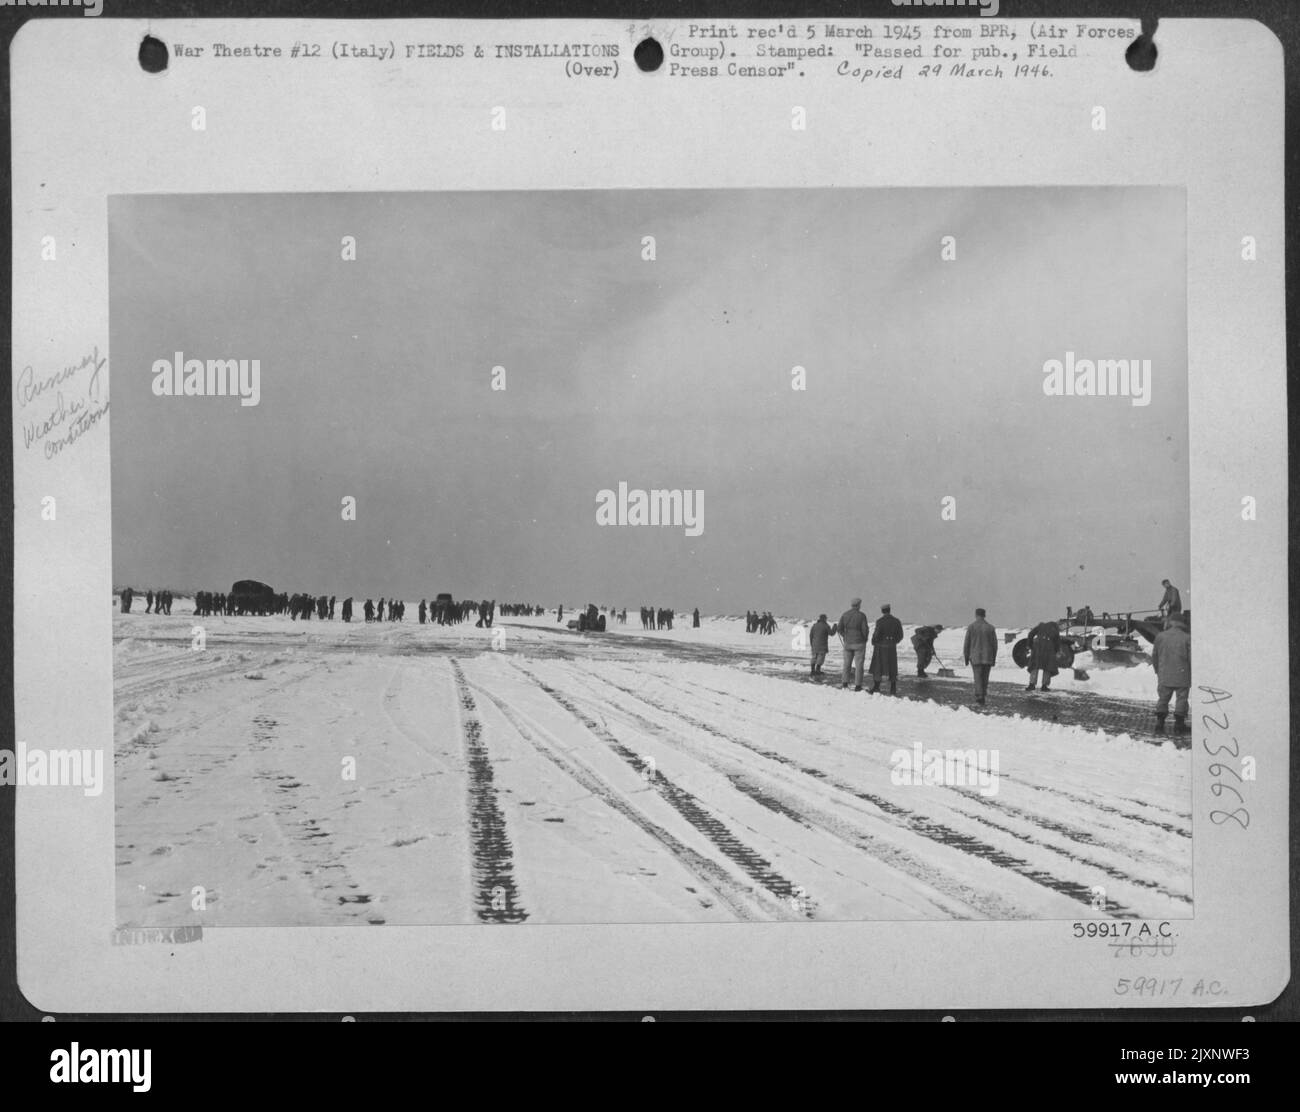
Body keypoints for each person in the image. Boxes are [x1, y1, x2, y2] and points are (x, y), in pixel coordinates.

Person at [1151, 615, 1191, 733]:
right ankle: (1179, 726)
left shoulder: (1160, 636)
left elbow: (1154, 656)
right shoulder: (1187, 637)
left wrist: (1158, 670)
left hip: (1164, 674)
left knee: (1163, 699)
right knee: (1182, 699)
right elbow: (1191, 659)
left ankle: (1159, 724)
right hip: (1182, 674)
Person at [962, 609, 998, 704]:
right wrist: (993, 658)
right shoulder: (990, 628)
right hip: (988, 657)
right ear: (985, 615)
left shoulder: (971, 627)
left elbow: (967, 643)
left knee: (977, 677)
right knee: (985, 677)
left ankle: (979, 696)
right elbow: (995, 645)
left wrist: (966, 657)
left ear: (976, 615)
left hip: (975, 657)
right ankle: (983, 695)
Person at [869, 604, 904, 694]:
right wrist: (894, 642)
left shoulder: (880, 621)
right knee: (892, 666)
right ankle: (893, 688)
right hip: (892, 647)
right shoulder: (896, 621)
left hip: (881, 647)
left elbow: (876, 634)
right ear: (889, 610)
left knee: (878, 667)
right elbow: (900, 635)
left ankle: (876, 686)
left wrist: (873, 641)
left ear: (882, 611)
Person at [837, 598, 870, 691]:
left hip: (848, 643)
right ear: (859, 605)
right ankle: (858, 685)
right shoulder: (862, 616)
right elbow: (865, 630)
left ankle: (844, 683)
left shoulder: (845, 614)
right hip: (859, 644)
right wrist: (865, 638)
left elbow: (839, 628)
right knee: (859, 665)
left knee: (846, 664)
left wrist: (845, 636)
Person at [1026, 620, 1061, 692]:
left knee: (1035, 665)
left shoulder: (1040, 626)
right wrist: (1056, 651)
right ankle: (1044, 686)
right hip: (1049, 647)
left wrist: (1030, 645)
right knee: (1048, 666)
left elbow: (1031, 634)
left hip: (1037, 646)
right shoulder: (1055, 629)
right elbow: (1057, 641)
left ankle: (1031, 684)